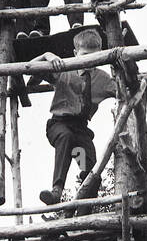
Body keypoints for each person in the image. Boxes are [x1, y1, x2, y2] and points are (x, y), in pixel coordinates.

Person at [36, 28, 118, 207]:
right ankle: (57, 190)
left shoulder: (102, 79)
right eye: (85, 55)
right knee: (66, 137)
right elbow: (29, 69)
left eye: (94, 57)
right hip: (59, 125)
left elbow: (122, 89)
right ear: (75, 54)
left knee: (90, 168)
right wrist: (47, 55)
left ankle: (84, 209)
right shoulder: (64, 70)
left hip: (81, 131)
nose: (89, 61)